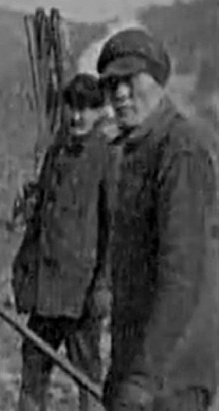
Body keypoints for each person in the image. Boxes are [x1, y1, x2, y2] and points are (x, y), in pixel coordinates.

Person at [96, 28, 218, 411]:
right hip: (142, 367)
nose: (119, 94)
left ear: (158, 80)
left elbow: (182, 278)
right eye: (111, 83)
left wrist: (141, 377)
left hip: (171, 378)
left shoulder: (179, 152)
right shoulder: (136, 150)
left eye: (130, 80)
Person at [11, 72, 115, 411]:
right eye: (73, 107)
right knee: (32, 367)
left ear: (100, 111)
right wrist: (23, 267)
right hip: (46, 291)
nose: (77, 116)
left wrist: (102, 287)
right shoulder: (56, 151)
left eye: (87, 108)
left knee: (87, 378)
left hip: (81, 296)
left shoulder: (106, 156)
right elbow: (39, 216)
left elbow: (113, 229)